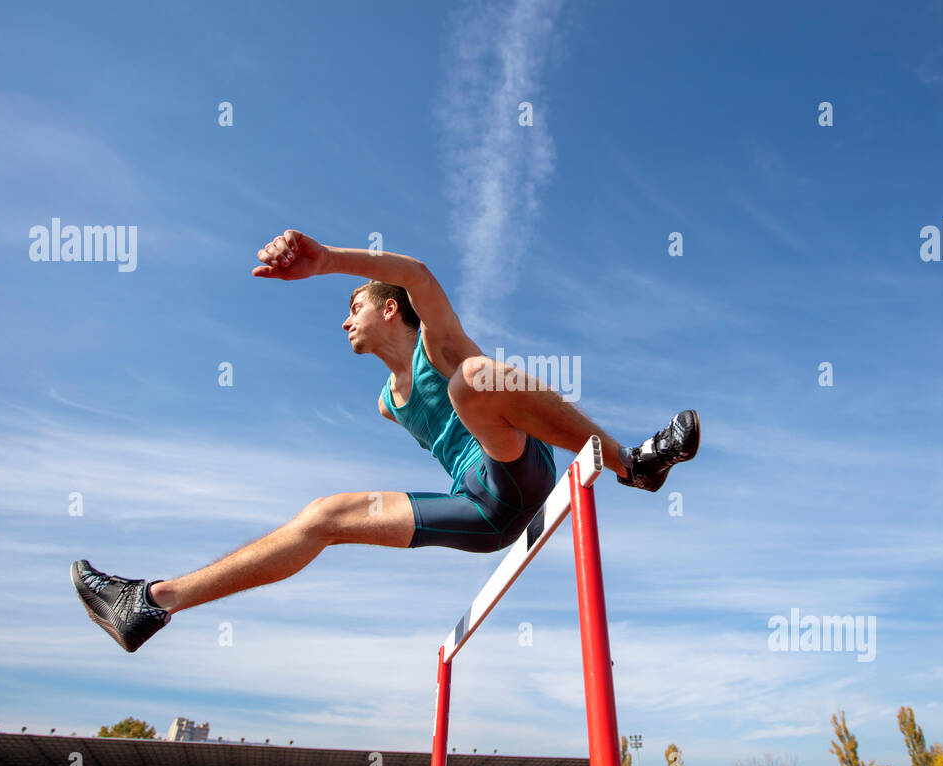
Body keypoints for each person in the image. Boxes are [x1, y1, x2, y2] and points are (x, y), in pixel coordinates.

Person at [72, 230, 700, 652]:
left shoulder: (438, 341)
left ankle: (632, 464)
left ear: (390, 310)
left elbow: (415, 273)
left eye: (355, 306)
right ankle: (150, 603)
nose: (345, 320)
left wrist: (328, 262)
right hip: (481, 512)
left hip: (516, 467)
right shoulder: (384, 404)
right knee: (325, 515)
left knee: (472, 380)